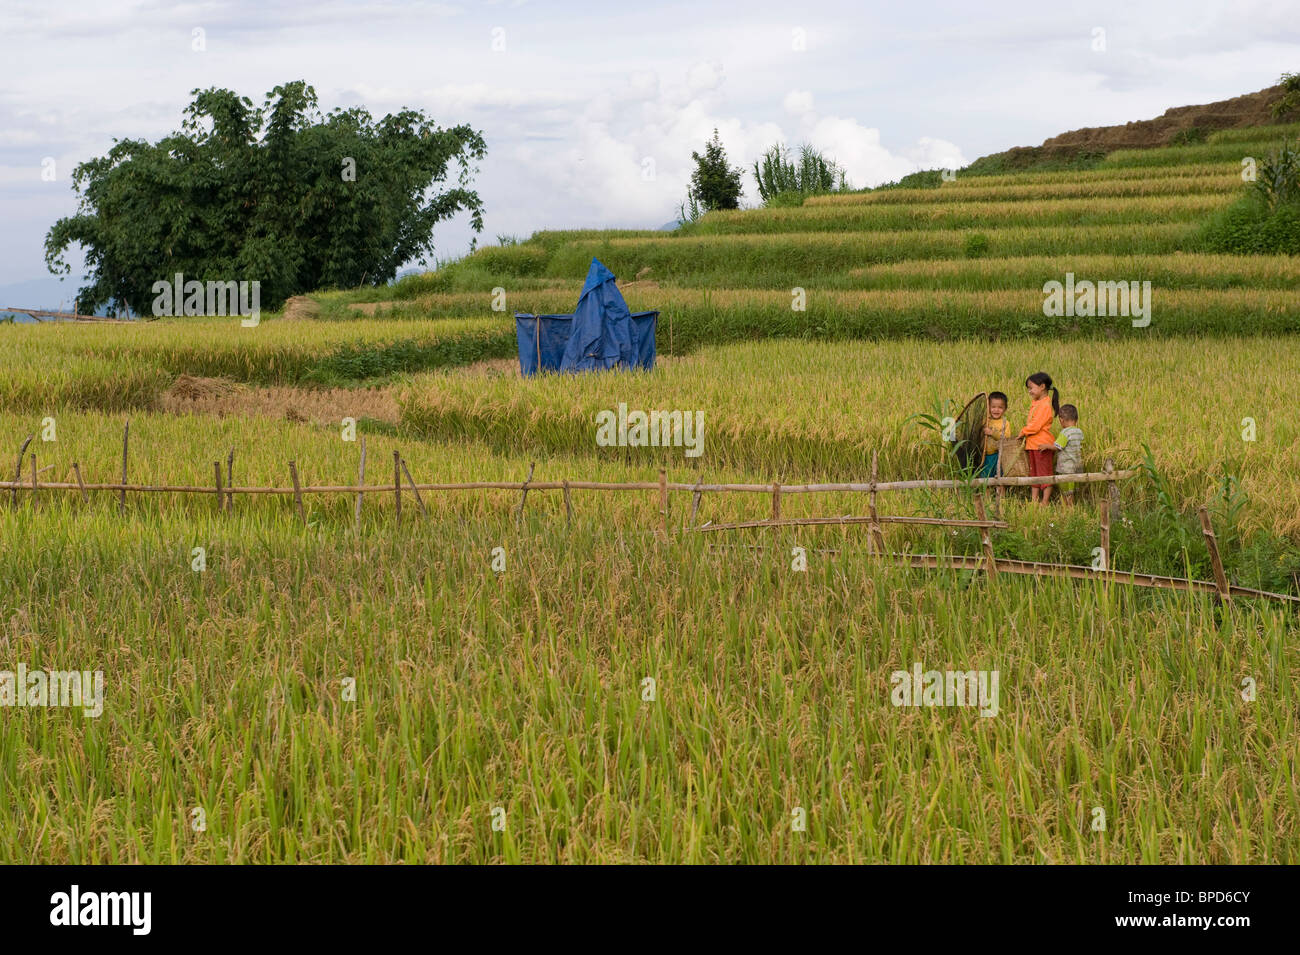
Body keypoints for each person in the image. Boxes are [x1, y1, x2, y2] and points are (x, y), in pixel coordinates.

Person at [1020, 372, 1060, 504]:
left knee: (1044, 474)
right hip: (1033, 445)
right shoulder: (1037, 403)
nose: (1030, 391)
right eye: (1028, 389)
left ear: (1042, 386)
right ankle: (1034, 500)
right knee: (1034, 474)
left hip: (1042, 445)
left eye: (1031, 388)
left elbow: (1035, 426)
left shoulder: (1044, 405)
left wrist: (1023, 432)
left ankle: (1045, 501)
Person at [1053, 404, 1085, 504]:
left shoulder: (1065, 432)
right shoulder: (1079, 432)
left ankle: (1068, 510)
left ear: (1061, 420)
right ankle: (1072, 509)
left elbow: (1057, 447)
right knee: (1072, 491)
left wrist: (1045, 446)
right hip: (1077, 467)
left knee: (1065, 492)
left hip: (1065, 468)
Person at [978, 392, 1012, 481]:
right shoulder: (985, 421)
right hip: (985, 456)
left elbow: (1006, 439)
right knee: (985, 477)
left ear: (1005, 409)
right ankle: (987, 494)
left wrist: (992, 433)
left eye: (1000, 407)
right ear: (988, 407)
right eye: (993, 407)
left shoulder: (1005, 423)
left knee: (999, 476)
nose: (996, 410)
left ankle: (1000, 494)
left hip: (998, 456)